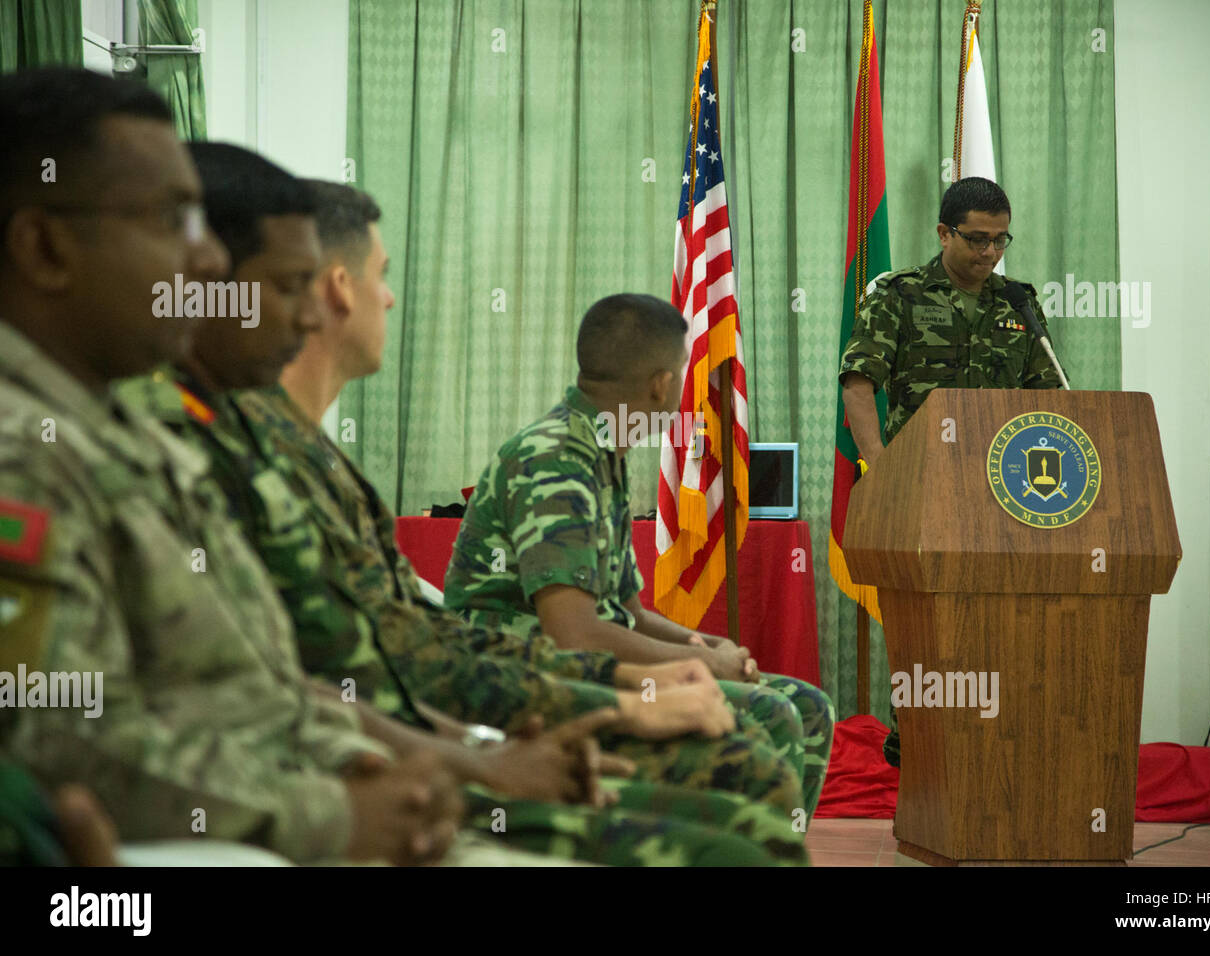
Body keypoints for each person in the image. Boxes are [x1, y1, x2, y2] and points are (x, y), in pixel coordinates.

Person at [121, 161, 804, 864]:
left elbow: (391, 651)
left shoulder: (293, 449)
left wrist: (665, 667)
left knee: (758, 764)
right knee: (749, 806)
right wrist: (601, 705)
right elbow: (541, 637)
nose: (384, 300)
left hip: (420, 739)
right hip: (367, 772)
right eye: (293, 286)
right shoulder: (191, 446)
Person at [0, 66, 487, 867]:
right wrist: (332, 812)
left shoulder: (128, 431)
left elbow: (255, 689)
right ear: (45, 246)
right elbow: (66, 739)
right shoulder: (26, 452)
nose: (208, 265)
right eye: (171, 222)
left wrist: (376, 767)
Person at [443, 293, 836, 814]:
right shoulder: (556, 458)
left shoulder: (603, 452)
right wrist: (702, 663)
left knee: (809, 707)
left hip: (584, 660)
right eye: (680, 369)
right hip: (522, 674)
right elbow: (574, 633)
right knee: (770, 715)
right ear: (661, 383)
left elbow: (626, 613)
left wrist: (710, 645)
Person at [839, 175, 1066, 765]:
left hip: (1006, 494)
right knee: (927, 625)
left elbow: (1049, 398)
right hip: (923, 487)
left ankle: (993, 745)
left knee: (999, 624)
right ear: (944, 232)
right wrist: (882, 472)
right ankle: (917, 740)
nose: (989, 253)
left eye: (1000, 240)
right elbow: (861, 386)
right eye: (975, 240)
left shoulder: (1018, 300)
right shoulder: (898, 294)